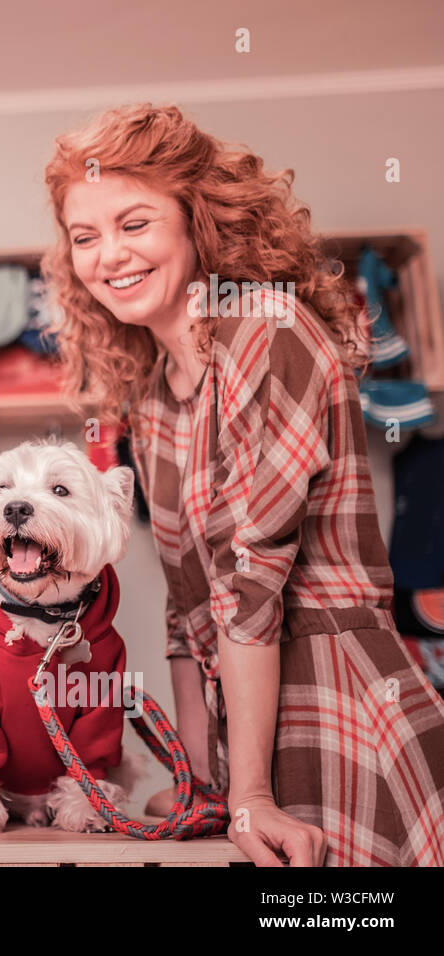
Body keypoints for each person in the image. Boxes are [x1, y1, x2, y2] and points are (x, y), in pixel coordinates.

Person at [41, 103, 444, 866]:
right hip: (244, 745)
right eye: (84, 236)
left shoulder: (267, 328)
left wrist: (251, 794)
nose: (109, 256)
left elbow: (252, 582)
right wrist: (203, 782)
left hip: (343, 707)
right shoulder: (155, 397)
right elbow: (190, 611)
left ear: (198, 222)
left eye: (135, 223)